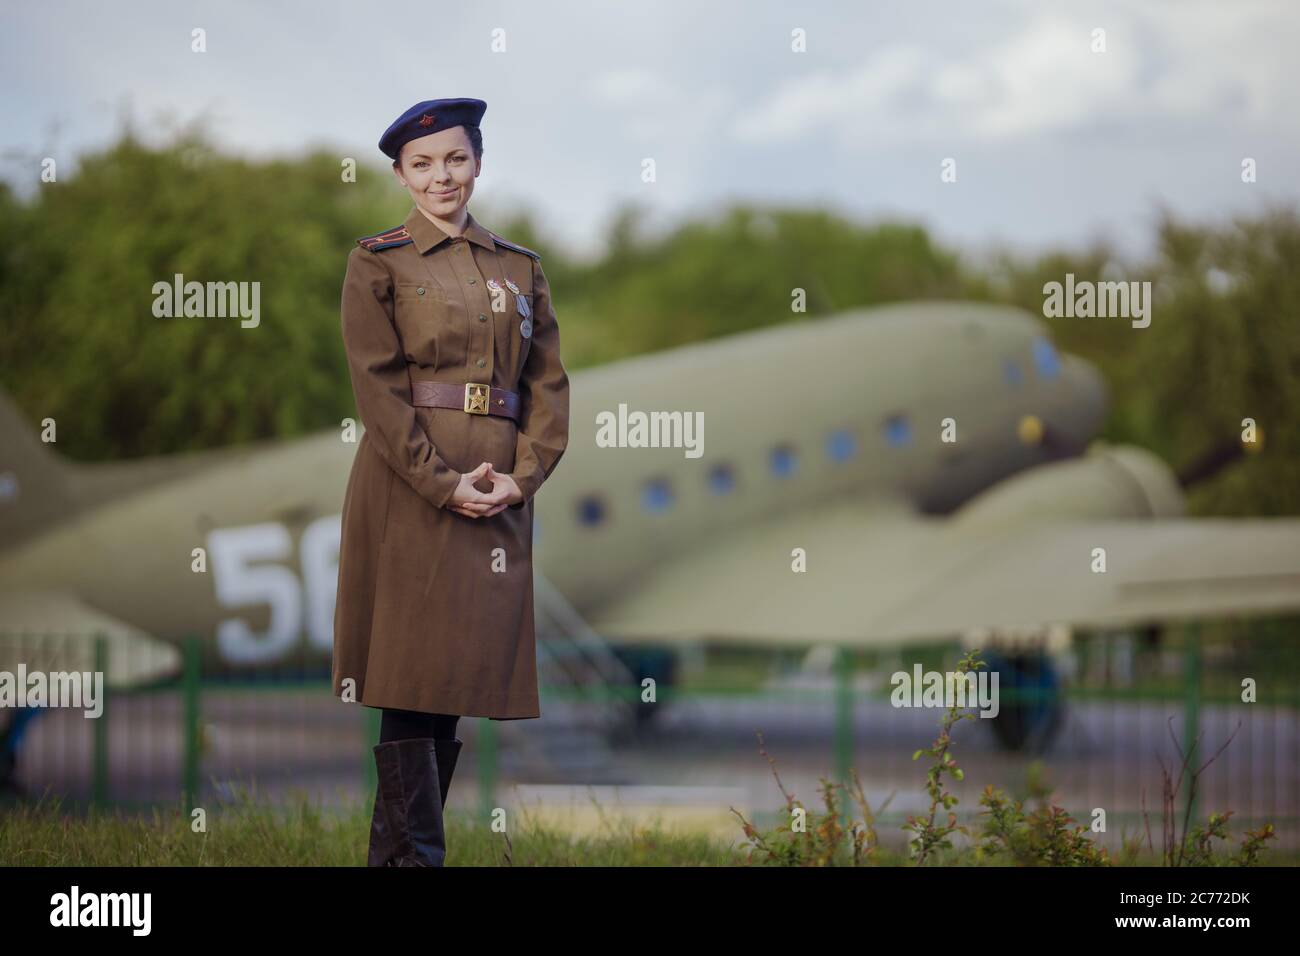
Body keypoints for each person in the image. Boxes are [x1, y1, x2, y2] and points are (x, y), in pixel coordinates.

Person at [331, 97, 571, 866]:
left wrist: (521, 478)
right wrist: (443, 484)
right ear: (402, 175)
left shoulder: (521, 267)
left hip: (497, 496)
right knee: (408, 683)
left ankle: (402, 858)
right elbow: (377, 391)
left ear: (478, 163)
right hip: (408, 492)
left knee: (449, 685)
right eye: (424, 165)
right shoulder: (378, 261)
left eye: (457, 159)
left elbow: (549, 389)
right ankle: (410, 860)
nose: (443, 177)